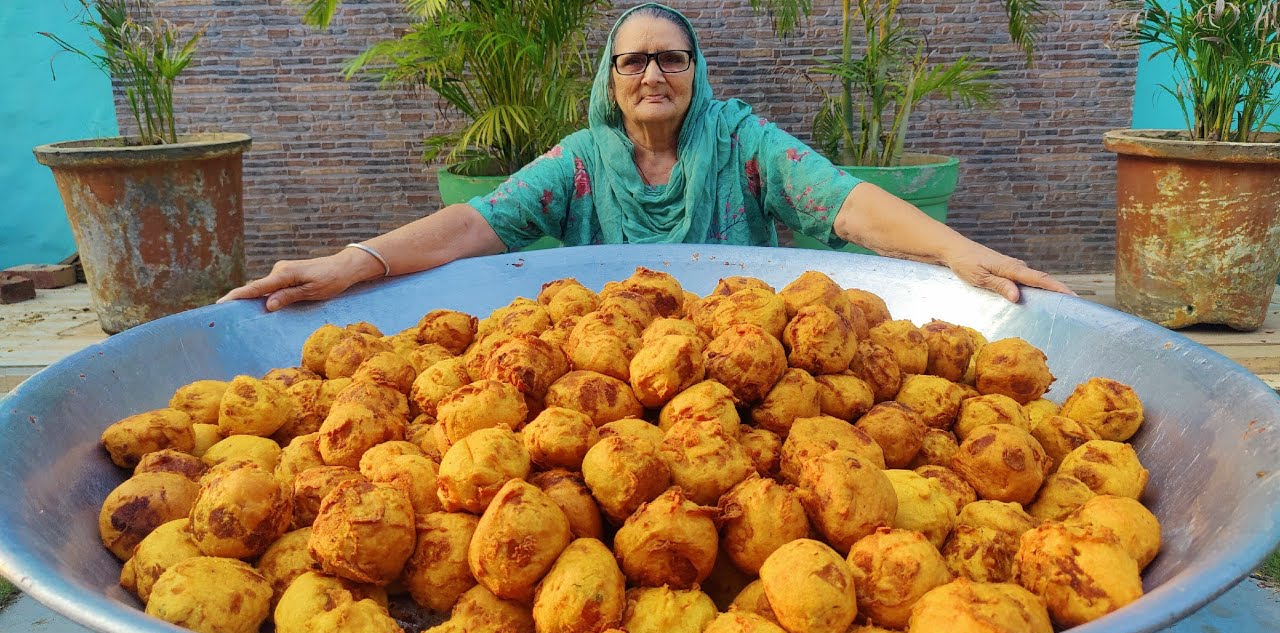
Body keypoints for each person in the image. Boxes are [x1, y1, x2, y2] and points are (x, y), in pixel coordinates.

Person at [220, 2, 1073, 311]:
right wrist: (356, 260)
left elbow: (843, 201)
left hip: (746, 359)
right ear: (612, 76)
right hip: (612, 375)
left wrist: (960, 250)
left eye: (672, 57)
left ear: (695, 71)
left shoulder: (743, 142)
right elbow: (474, 224)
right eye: (634, 59)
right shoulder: (580, 161)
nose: (654, 72)